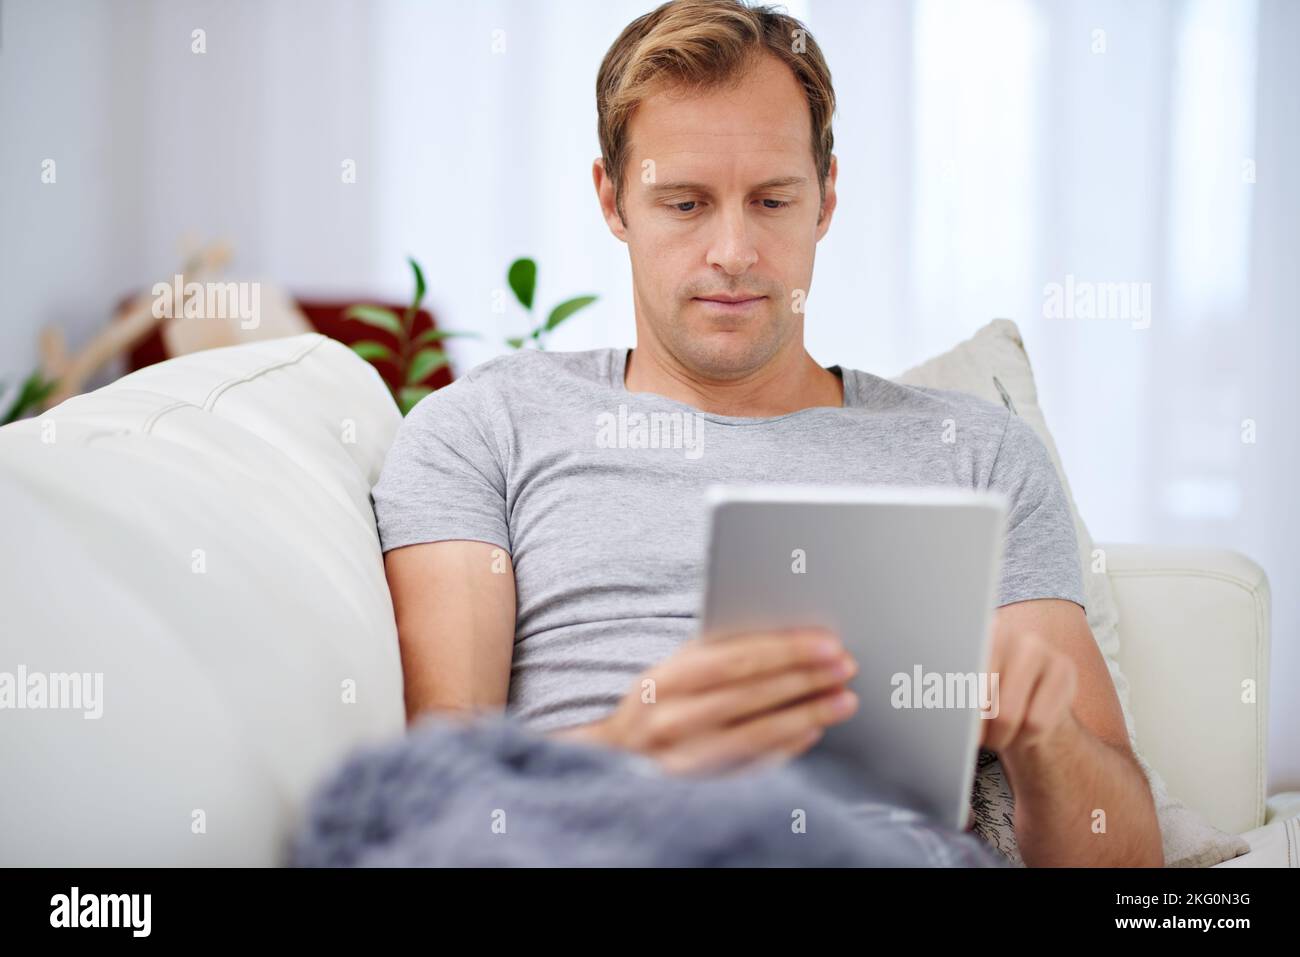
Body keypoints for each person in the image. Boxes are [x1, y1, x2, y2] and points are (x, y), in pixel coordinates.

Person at [372, 0, 1162, 867]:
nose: (735, 251)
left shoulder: (980, 456)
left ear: (826, 197)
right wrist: (635, 744)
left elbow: (1127, 865)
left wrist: (1043, 738)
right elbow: (436, 798)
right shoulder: (482, 429)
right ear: (612, 199)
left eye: (772, 199)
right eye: (685, 203)